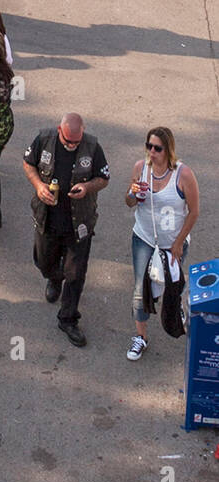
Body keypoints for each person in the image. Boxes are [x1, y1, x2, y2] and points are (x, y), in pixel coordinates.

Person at [23, 113, 110, 346]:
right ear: (59, 130)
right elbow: (28, 164)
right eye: (68, 141)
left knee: (76, 274)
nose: (72, 145)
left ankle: (68, 318)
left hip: (78, 223)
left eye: (76, 142)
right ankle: (53, 277)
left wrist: (87, 186)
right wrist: (39, 186)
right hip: (48, 219)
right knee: (43, 261)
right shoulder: (44, 139)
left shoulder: (92, 146)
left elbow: (104, 178)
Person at [124, 127, 200, 361]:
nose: (152, 152)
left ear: (168, 149)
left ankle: (175, 302)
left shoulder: (183, 174)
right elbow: (128, 202)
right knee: (141, 290)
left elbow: (194, 211)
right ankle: (140, 337)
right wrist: (133, 193)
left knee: (170, 285)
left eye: (157, 148)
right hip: (144, 239)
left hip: (173, 244)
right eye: (149, 146)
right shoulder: (140, 168)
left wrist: (178, 243)